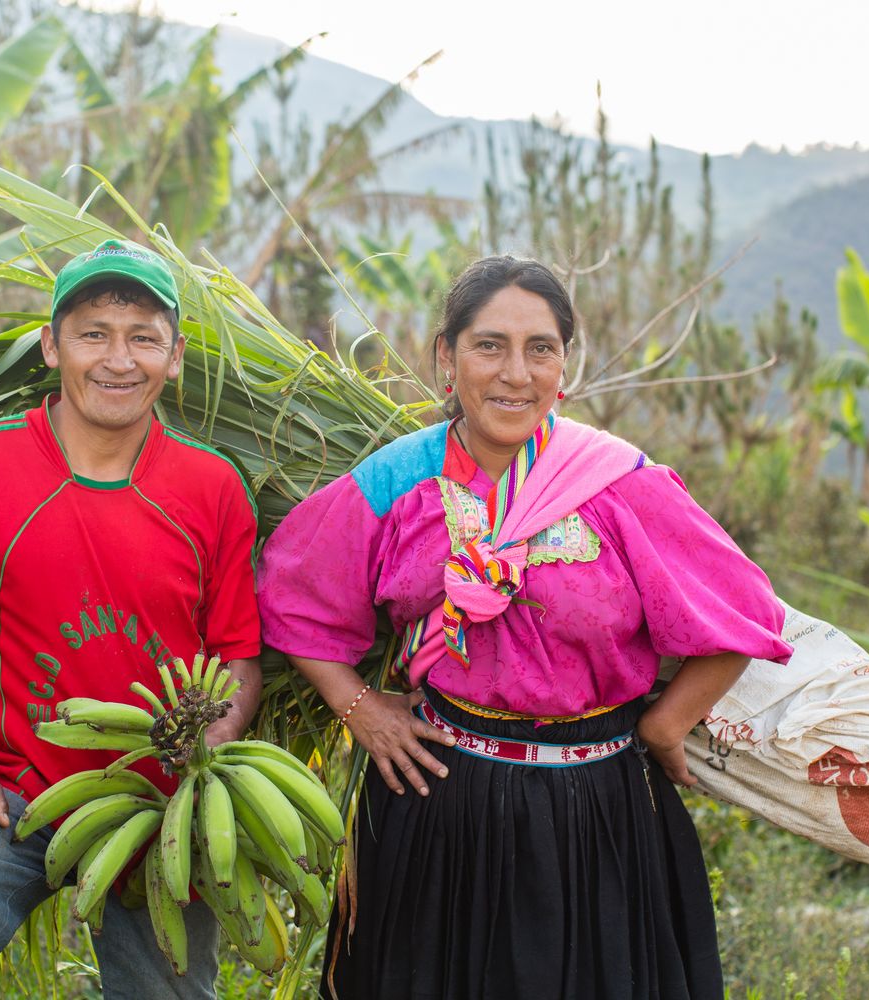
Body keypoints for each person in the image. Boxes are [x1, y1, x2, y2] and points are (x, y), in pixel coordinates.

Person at [257, 255, 795, 1000]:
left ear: (563, 364)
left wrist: (667, 726)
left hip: (598, 814)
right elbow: (294, 598)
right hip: (441, 802)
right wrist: (360, 709)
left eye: (540, 348)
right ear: (447, 358)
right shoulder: (396, 481)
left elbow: (744, 612)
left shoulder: (623, 484)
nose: (516, 373)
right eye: (489, 346)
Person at [0, 239, 263, 1000]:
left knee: (172, 987)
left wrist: (210, 750)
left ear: (174, 356)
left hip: (157, 805)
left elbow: (239, 656)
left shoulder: (213, 486)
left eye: (143, 338)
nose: (118, 359)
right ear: (52, 346)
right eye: (93, 334)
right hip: (9, 793)